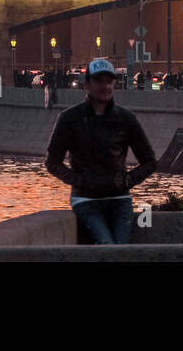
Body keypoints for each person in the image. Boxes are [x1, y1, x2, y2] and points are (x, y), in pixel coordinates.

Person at [45, 58, 156, 244]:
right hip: (86, 201)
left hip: (120, 200)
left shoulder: (126, 118)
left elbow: (150, 161)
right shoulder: (69, 118)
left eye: (109, 81)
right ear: (87, 84)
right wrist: (80, 181)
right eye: (99, 81)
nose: (105, 86)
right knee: (107, 247)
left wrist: (127, 180)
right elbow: (52, 162)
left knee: (119, 251)